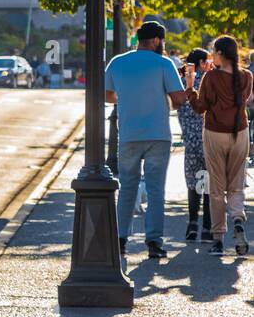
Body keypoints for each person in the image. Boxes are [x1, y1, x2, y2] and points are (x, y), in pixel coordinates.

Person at [105, 20, 187, 259]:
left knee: (127, 188)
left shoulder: (117, 62)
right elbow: (179, 99)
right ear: (155, 41)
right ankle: (154, 242)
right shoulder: (164, 64)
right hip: (158, 136)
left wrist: (127, 98)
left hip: (128, 135)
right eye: (162, 41)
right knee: (155, 189)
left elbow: (107, 95)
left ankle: (120, 239)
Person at [184, 36, 253, 255]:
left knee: (216, 187)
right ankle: (238, 219)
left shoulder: (211, 77)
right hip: (240, 132)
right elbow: (244, 100)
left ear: (220, 53)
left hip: (215, 132)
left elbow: (199, 107)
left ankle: (218, 238)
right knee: (236, 184)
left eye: (214, 52)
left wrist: (190, 86)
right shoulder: (247, 76)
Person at [176, 48, 213, 242]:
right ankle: (207, 227)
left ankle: (192, 224)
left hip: (190, 140)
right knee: (209, 183)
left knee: (193, 183)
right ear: (201, 63)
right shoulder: (208, 80)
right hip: (209, 137)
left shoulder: (182, 81)